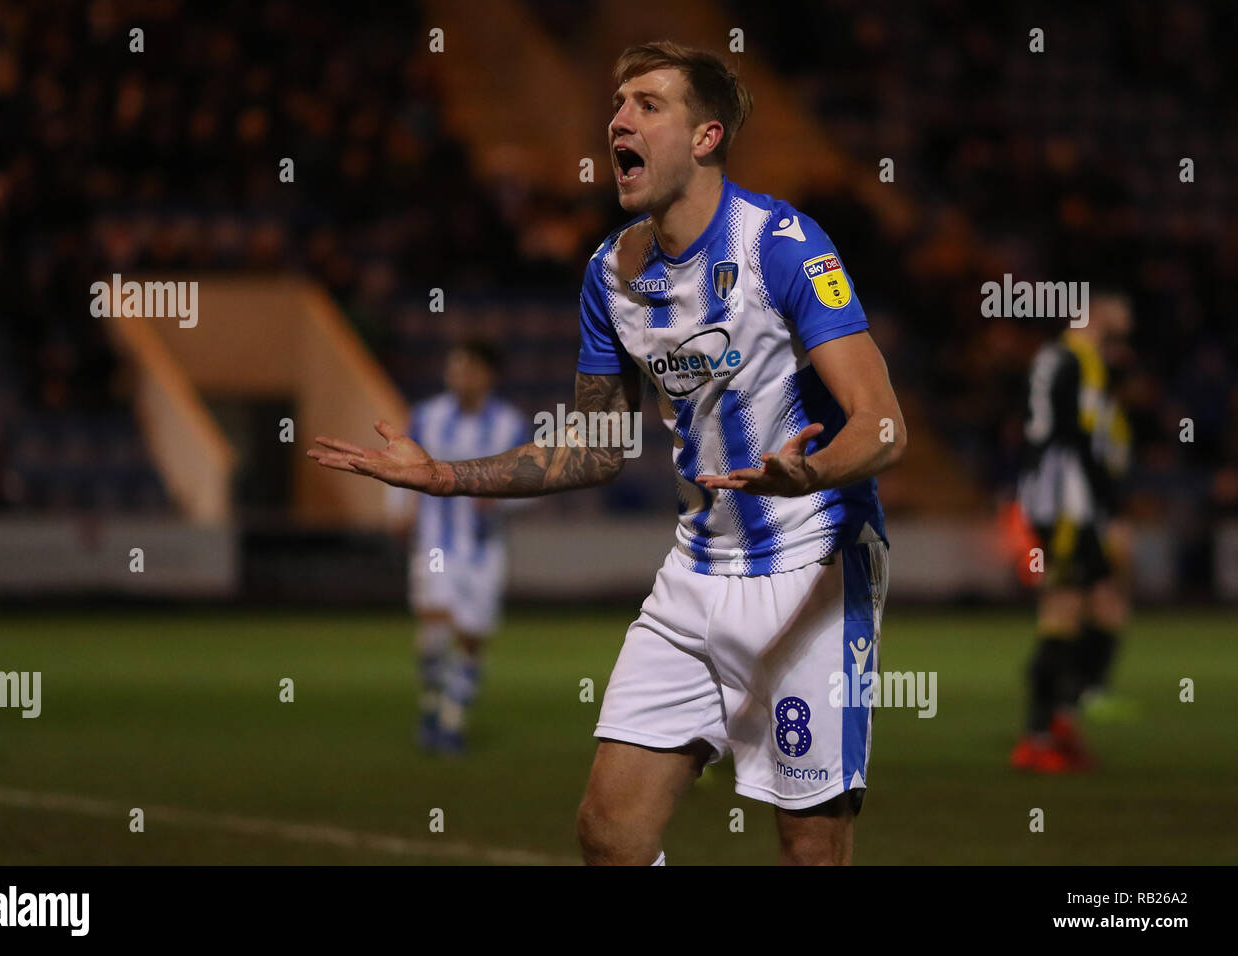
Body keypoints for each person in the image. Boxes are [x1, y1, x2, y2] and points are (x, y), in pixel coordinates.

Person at [309, 41, 906, 865]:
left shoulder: (783, 244)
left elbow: (882, 425)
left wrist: (809, 471)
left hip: (812, 567)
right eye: (617, 106)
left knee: (810, 849)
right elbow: (593, 452)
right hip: (696, 574)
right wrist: (441, 476)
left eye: (647, 105)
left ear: (706, 136)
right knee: (609, 836)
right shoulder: (611, 275)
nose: (619, 121)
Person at [384, 340, 528, 754]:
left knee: (470, 636)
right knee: (435, 625)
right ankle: (434, 706)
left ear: (487, 374)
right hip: (435, 544)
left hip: (485, 550)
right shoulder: (427, 416)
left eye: (467, 366)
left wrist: (501, 496)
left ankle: (451, 719)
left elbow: (534, 483)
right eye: (454, 366)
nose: (458, 374)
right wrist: (398, 509)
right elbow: (401, 465)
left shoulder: (508, 424)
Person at [1012, 293, 1134, 773]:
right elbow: (1080, 439)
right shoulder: (1081, 359)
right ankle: (1037, 736)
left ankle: (1061, 717)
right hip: (1065, 499)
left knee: (1100, 600)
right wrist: (1108, 508)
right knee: (1062, 607)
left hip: (1058, 493)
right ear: (1099, 310)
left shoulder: (1058, 355)